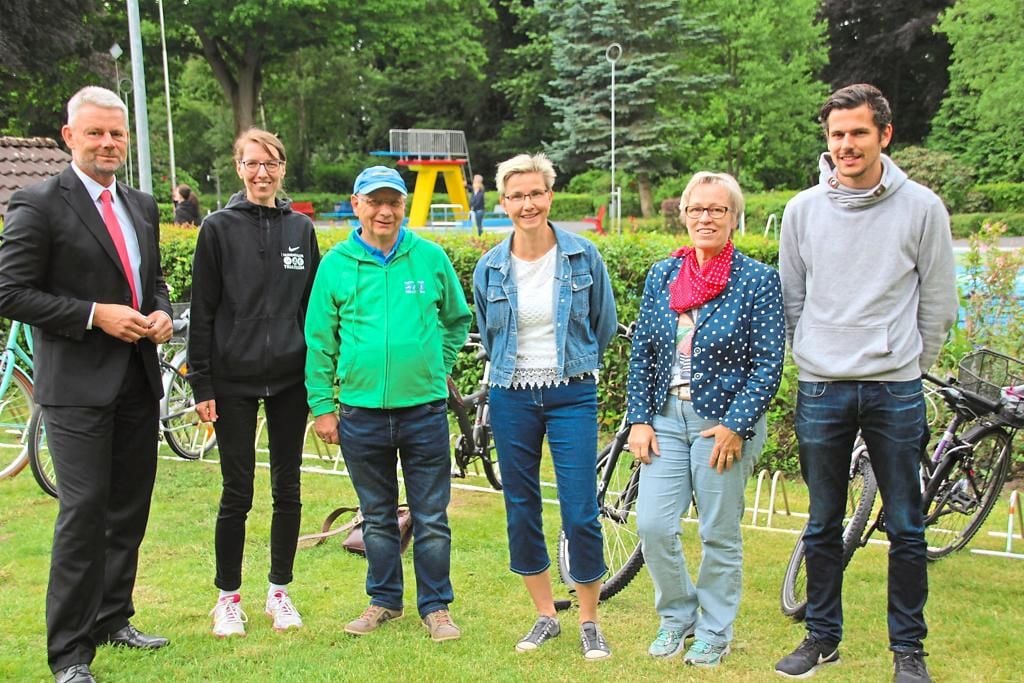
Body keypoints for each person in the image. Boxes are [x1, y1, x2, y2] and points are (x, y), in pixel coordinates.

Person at [775, 84, 957, 683]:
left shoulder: (923, 208)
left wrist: (905, 363)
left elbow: (936, 305)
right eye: (837, 134)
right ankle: (821, 637)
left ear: (884, 134)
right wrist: (816, 355)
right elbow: (793, 299)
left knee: (906, 525)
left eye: (858, 132)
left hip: (895, 389)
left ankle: (909, 650)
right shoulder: (803, 211)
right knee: (823, 522)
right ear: (827, 140)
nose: (846, 144)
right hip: (823, 388)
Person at [0, 86, 173, 683]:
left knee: (128, 508)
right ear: (68, 136)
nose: (107, 143)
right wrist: (92, 314)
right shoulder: (38, 203)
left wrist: (162, 313)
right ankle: (70, 654)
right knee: (83, 513)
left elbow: (150, 284)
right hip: (75, 387)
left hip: (136, 379)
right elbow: (9, 291)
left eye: (116, 134)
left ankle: (112, 617)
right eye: (95, 133)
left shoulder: (143, 206)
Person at [305, 165, 472, 642]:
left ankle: (436, 607)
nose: (384, 211)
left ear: (403, 206)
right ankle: (383, 601)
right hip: (360, 413)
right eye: (374, 201)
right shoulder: (335, 265)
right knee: (377, 516)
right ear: (356, 204)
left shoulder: (430, 257)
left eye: (393, 202)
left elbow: (457, 319)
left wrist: (435, 366)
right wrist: (322, 406)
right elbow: (319, 342)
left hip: (423, 411)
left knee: (432, 516)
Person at [626, 172, 785, 667]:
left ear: (734, 217)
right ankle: (678, 615)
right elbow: (644, 353)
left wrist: (738, 423)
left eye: (717, 209)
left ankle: (715, 629)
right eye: (697, 209)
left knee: (718, 532)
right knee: (652, 524)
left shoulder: (757, 279)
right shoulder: (662, 275)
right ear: (684, 214)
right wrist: (639, 418)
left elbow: (768, 362)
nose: (706, 218)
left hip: (722, 424)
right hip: (665, 418)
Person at [473, 153, 618, 660]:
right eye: (516, 196)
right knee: (521, 508)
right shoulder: (490, 266)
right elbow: (488, 333)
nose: (527, 203)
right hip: (511, 394)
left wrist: (573, 365)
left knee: (580, 509)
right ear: (504, 202)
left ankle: (589, 620)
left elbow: (603, 324)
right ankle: (544, 616)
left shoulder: (583, 257)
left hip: (571, 392)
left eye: (536, 193)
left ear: (549, 195)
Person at [188, 128, 321, 638]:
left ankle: (280, 593)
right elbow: (203, 311)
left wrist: (318, 380)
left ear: (282, 168)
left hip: (291, 381)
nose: (261, 172)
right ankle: (227, 598)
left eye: (270, 163)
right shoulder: (217, 228)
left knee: (288, 490)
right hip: (233, 382)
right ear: (238, 168)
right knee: (236, 492)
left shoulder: (301, 229)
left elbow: (312, 311)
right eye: (251, 163)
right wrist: (203, 384)